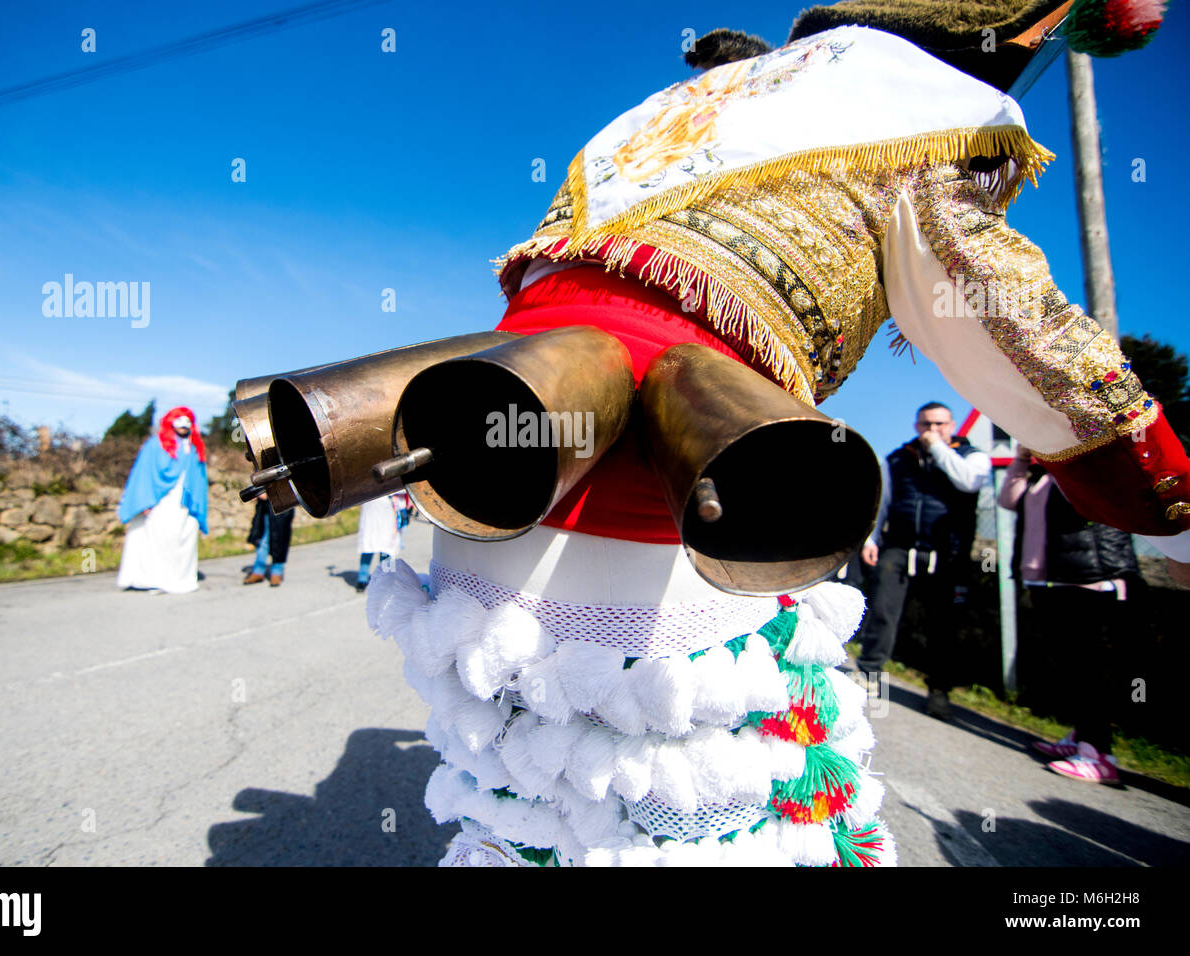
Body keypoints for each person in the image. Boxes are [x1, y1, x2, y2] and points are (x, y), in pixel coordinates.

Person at [361, 1, 1188, 867]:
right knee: (707, 825)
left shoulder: (667, 112)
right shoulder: (909, 119)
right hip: (688, 512)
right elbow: (1021, 332)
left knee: (534, 809)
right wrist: (1166, 496)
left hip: (485, 469)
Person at [998, 442, 1144, 784]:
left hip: (1090, 578)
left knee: (1092, 669)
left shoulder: (1089, 464)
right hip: (1052, 579)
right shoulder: (1039, 472)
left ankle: (1099, 755)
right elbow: (1008, 500)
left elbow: (1087, 504)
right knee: (1073, 666)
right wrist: (1022, 459)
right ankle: (1082, 738)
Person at [857, 402, 991, 717]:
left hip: (948, 551)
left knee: (944, 622)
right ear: (916, 426)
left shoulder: (972, 456)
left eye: (939, 424)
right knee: (883, 610)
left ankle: (939, 690)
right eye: (926, 425)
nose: (932, 431)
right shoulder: (899, 458)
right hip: (900, 546)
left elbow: (968, 481)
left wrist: (939, 450)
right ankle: (870, 675)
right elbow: (883, 501)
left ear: (952, 425)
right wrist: (871, 539)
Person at [117, 406, 209, 594]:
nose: (183, 425)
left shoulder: (194, 447)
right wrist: (144, 500)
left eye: (187, 421)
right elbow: (143, 474)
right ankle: (155, 579)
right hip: (161, 502)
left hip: (185, 502)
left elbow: (199, 479)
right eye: (179, 420)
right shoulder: (155, 444)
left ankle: (180, 579)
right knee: (159, 539)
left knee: (183, 538)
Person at [354, 492, 411, 592]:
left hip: (382, 510)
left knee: (379, 546)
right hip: (381, 509)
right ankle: (380, 579)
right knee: (374, 546)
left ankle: (371, 579)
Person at [244, 491, 294, 587]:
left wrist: (271, 493)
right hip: (265, 505)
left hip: (283, 502)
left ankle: (277, 572)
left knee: (280, 540)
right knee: (262, 539)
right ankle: (258, 571)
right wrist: (257, 491)